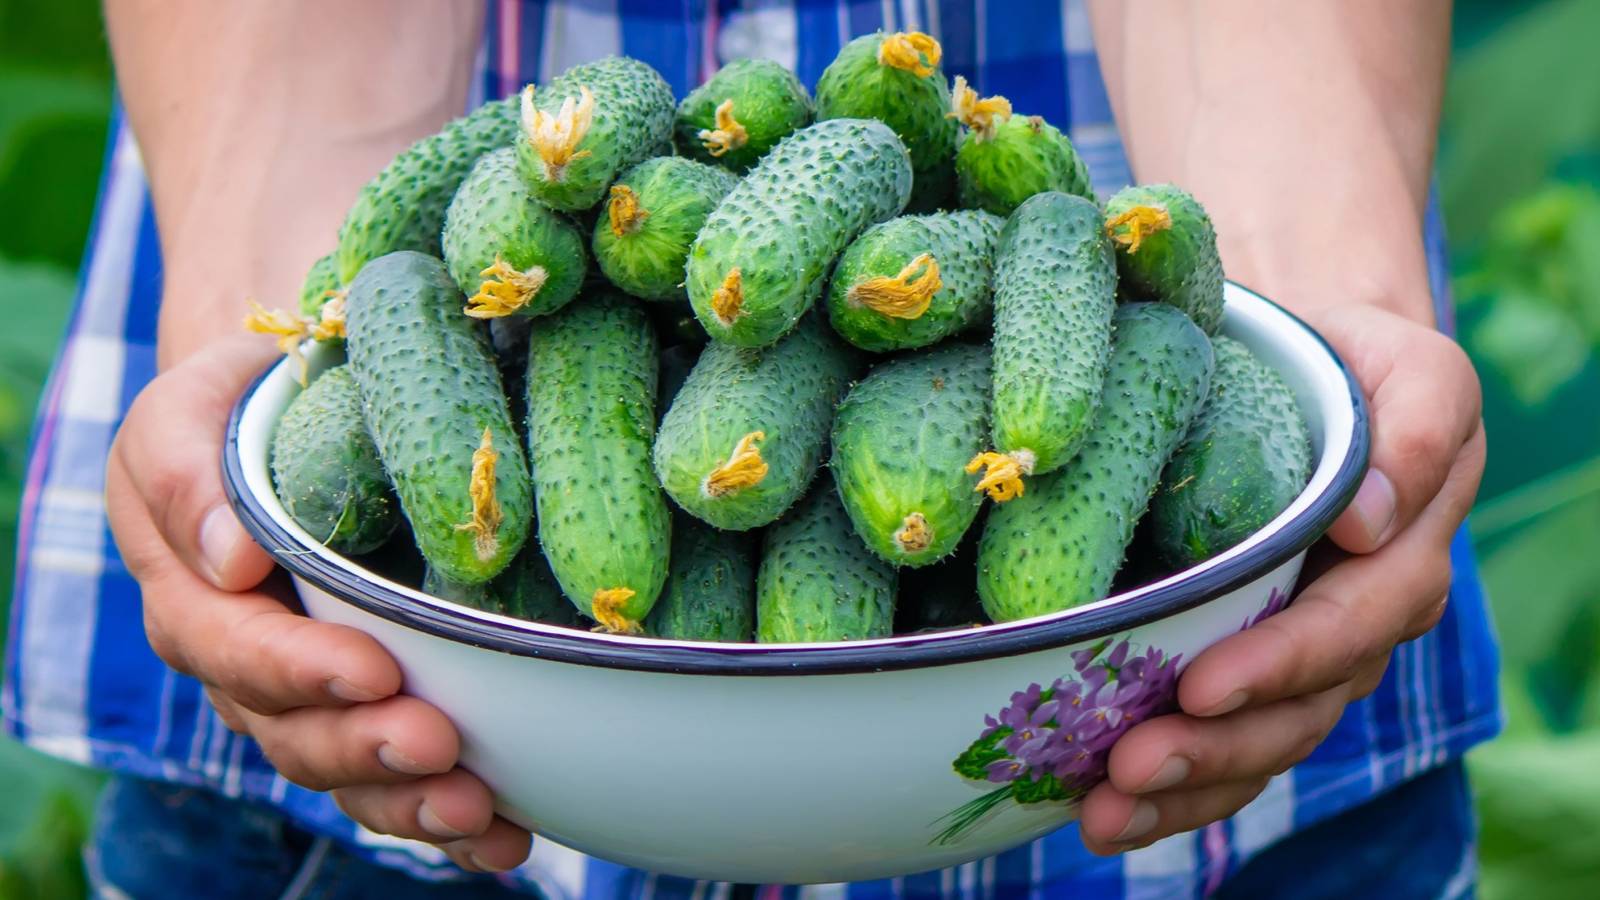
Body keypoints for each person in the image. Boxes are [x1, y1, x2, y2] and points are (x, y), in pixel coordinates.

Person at [3, 1, 1497, 897]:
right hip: (346, 819)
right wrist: (295, 330)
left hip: (1235, 768)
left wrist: (1316, 310)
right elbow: (379, 272)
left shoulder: (1040, 270)